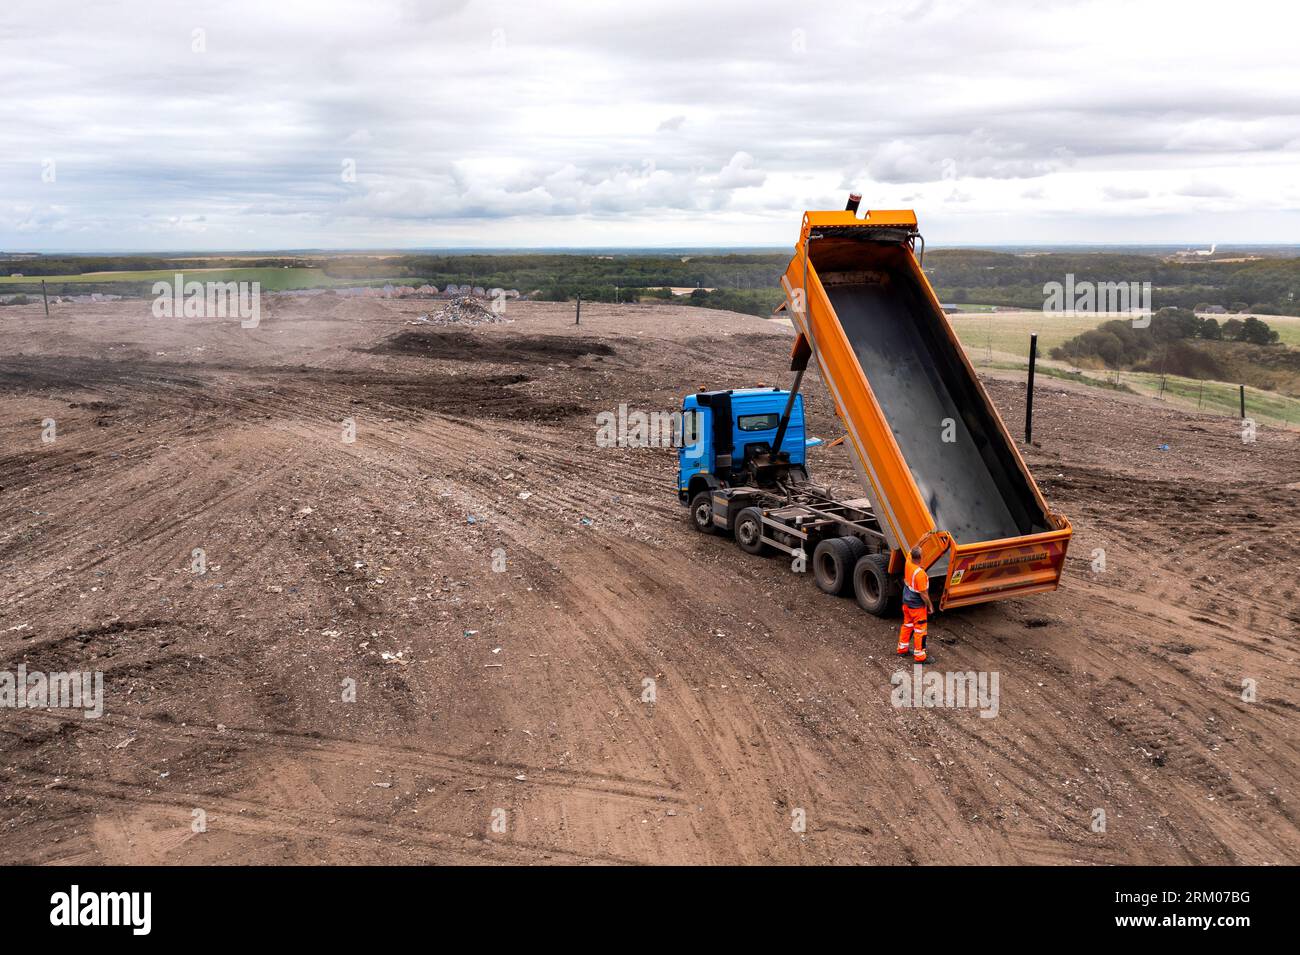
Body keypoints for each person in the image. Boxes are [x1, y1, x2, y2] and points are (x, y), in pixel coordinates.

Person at [897, 544, 934, 663]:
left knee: (907, 625)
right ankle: (920, 656)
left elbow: (912, 549)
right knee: (920, 630)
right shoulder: (920, 575)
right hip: (917, 607)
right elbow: (924, 594)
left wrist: (923, 539)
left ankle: (902, 649)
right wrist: (930, 606)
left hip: (906, 604)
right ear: (921, 558)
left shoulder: (908, 562)